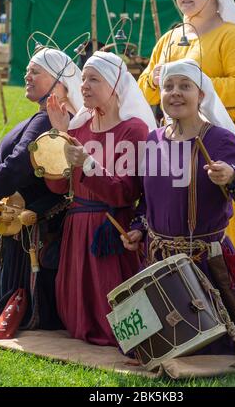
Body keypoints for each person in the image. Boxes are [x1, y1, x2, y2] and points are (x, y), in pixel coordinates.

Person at [138, 0, 235, 310]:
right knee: (180, 210)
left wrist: (191, 82)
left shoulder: (234, 36)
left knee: (227, 214)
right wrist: (158, 81)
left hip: (226, 134)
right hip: (177, 138)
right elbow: (146, 90)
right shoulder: (170, 38)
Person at [123, 58, 235, 359]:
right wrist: (137, 227)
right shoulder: (153, 140)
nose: (175, 93)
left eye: (185, 86)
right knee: (159, 346)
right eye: (169, 86)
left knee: (217, 346)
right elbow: (148, 199)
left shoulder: (219, 141)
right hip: (158, 260)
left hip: (204, 265)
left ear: (201, 95)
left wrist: (233, 177)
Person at [45, 50, 157, 346]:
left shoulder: (133, 130)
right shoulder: (78, 128)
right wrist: (59, 139)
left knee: (112, 304)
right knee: (76, 313)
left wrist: (88, 164)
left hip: (109, 227)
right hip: (77, 225)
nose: (84, 86)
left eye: (93, 79)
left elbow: (126, 192)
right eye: (82, 79)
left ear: (114, 84)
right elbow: (59, 188)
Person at [0, 47, 83, 336]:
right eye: (27, 70)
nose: (27, 75)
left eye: (35, 71)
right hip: (22, 223)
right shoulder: (41, 117)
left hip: (37, 223)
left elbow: (18, 166)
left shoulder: (47, 123)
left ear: (57, 81)